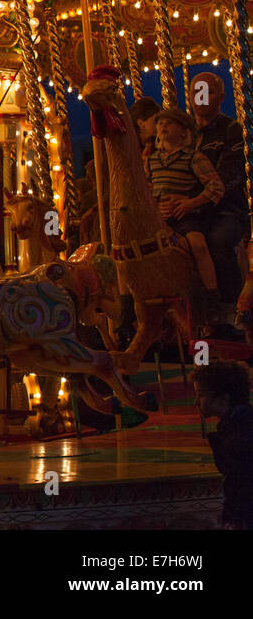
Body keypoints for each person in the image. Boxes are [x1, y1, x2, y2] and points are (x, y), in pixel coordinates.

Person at [146, 107, 225, 331]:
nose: (163, 126)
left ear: (183, 132)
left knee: (198, 244)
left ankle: (212, 299)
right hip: (160, 220)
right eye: (161, 123)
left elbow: (216, 187)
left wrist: (190, 203)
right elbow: (147, 189)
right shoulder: (152, 161)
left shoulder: (193, 158)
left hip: (186, 217)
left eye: (169, 123)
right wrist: (156, 204)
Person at [192, 72, 249, 326]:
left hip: (225, 210)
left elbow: (228, 176)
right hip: (190, 210)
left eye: (209, 92)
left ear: (222, 97)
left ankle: (230, 308)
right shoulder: (184, 133)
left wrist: (197, 200)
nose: (201, 97)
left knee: (218, 241)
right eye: (197, 92)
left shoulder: (232, 130)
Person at [194, 360, 253, 529]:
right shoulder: (239, 425)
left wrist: (233, 520)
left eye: (201, 394)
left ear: (223, 399)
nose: (196, 402)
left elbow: (239, 483)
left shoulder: (240, 434)